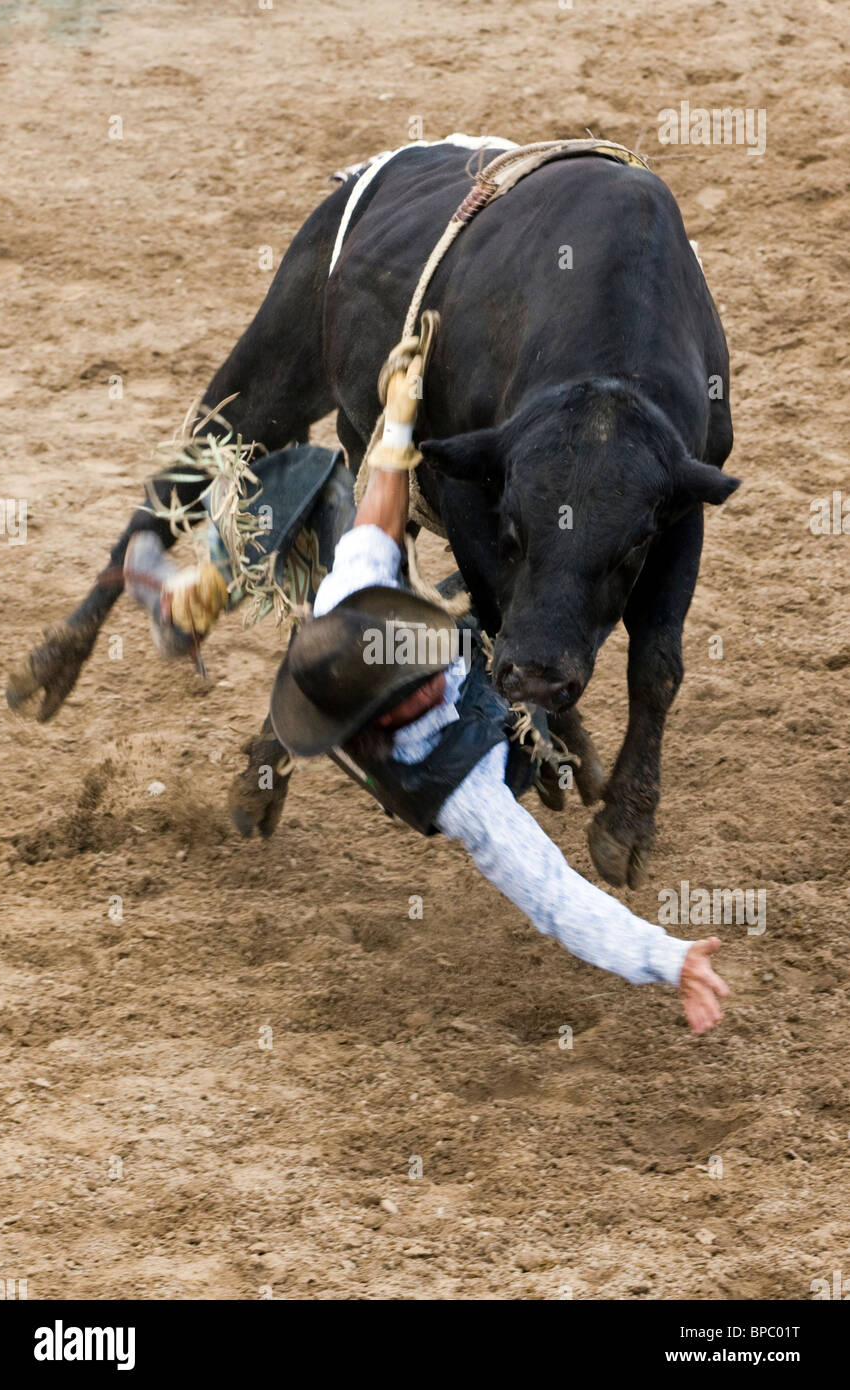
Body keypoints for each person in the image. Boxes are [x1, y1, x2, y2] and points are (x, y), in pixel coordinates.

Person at [126, 424, 729, 1036]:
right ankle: (196, 602)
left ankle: (189, 597)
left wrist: (396, 421)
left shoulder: (356, 598)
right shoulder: (465, 794)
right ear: (381, 717)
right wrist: (667, 958)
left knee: (307, 475)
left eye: (418, 655)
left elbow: (375, 517)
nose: (430, 674)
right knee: (492, 602)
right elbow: (554, 898)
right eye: (412, 686)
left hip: (341, 645)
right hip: (481, 744)